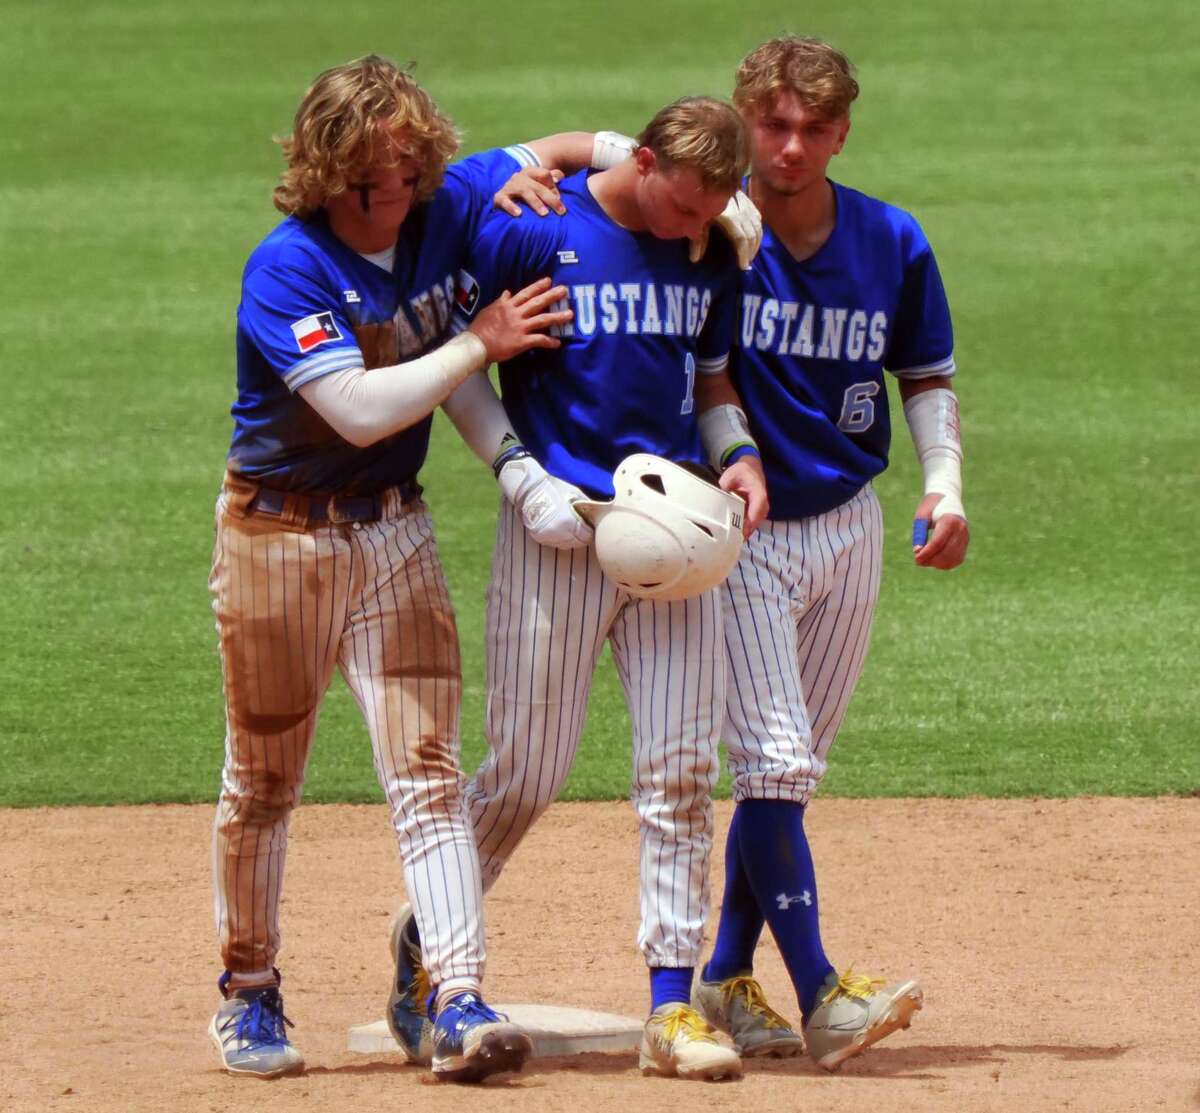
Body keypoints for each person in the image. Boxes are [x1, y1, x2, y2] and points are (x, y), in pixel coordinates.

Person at [206, 54, 584, 1084]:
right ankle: (248, 992)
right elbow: (366, 406)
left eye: (411, 171)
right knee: (264, 782)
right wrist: (481, 341)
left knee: (428, 775)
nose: (396, 193)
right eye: (375, 175)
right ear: (327, 173)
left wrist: (704, 194)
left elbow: (570, 149)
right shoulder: (285, 268)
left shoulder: (442, 207)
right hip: (278, 538)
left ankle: (454, 993)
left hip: (393, 532)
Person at [388, 96, 770, 1083]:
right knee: (525, 772)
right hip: (560, 531)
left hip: (680, 538)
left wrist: (739, 459)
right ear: (642, 160)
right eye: (682, 208)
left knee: (682, 772)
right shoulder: (534, 226)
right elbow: (459, 362)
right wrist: (520, 474)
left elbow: (713, 381)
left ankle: (671, 1010)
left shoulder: (714, 248)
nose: (694, 231)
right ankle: (433, 938)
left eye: (710, 213)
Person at [689, 36, 970, 1071]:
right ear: (745, 120)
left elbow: (926, 377)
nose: (791, 145)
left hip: (852, 529)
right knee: (775, 760)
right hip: (744, 531)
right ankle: (822, 995)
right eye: (773, 124)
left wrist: (944, 488)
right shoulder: (710, 235)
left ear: (842, 132)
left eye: (813, 128)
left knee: (784, 785)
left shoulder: (891, 242)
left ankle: (724, 973)